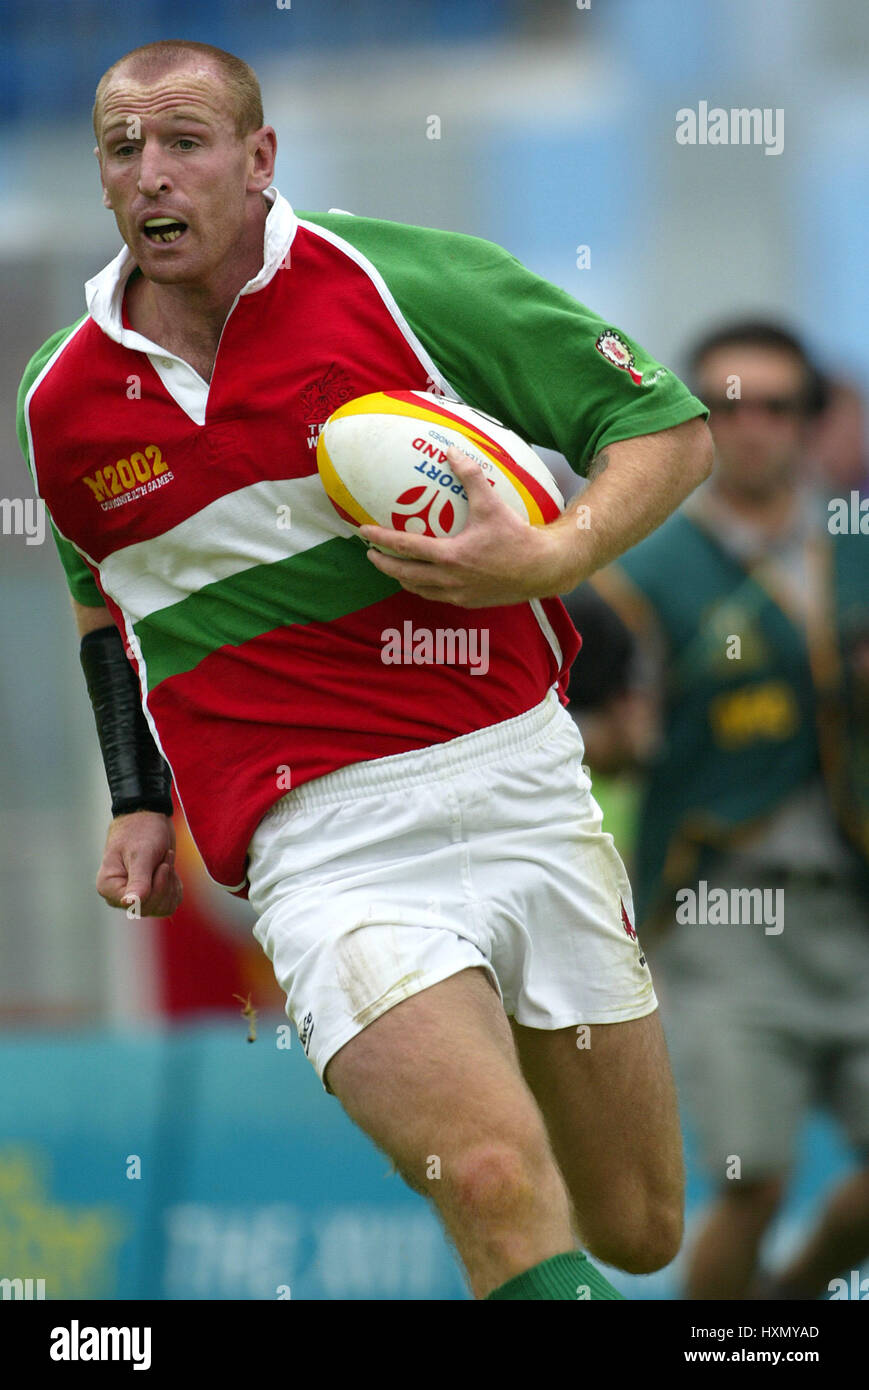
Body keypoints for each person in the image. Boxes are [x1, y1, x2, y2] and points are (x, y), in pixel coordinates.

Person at [16, 39, 713, 1301]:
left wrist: (552, 552)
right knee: (496, 1182)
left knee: (637, 1223)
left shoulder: (399, 280)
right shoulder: (61, 403)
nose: (152, 173)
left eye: (186, 142)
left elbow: (662, 426)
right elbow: (98, 603)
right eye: (124, 149)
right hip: (317, 837)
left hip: (517, 775)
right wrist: (134, 796)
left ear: (259, 157)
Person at [584, 321, 869, 1300]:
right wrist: (620, 731)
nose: (751, 429)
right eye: (726, 407)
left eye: (776, 406)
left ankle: (789, 1306)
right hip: (718, 910)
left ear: (812, 420)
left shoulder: (853, 542)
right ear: (694, 422)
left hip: (855, 899)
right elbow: (589, 731)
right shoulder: (643, 571)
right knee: (750, 1176)